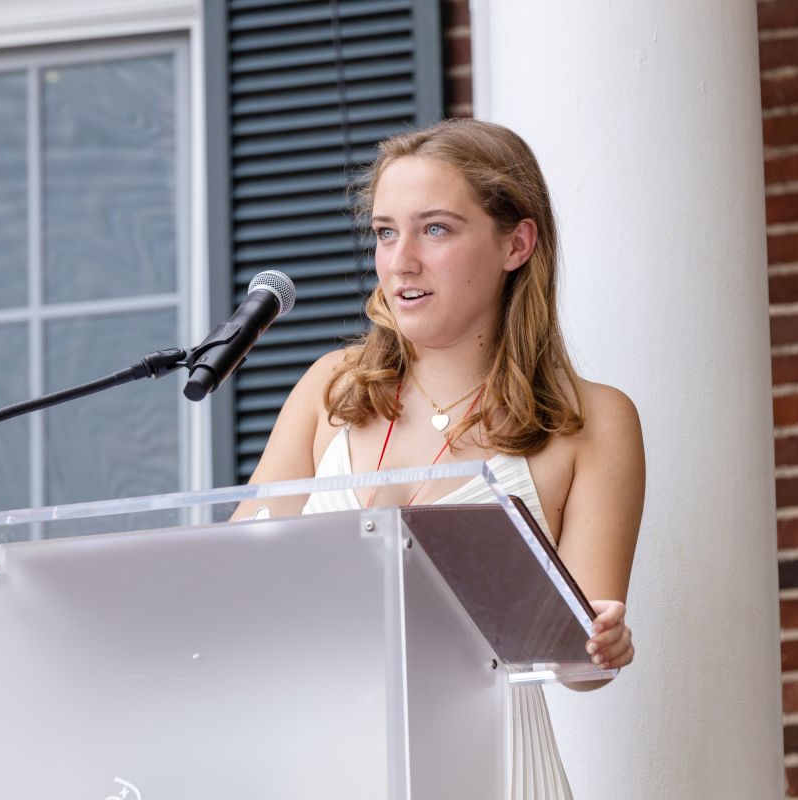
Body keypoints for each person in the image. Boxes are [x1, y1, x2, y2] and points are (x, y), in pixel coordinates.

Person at [237, 117, 645, 799]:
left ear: (516, 243)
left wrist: (603, 645)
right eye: (385, 231)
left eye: (436, 229)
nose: (401, 261)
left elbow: (579, 662)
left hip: (496, 770)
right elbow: (234, 573)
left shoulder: (597, 420)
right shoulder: (329, 389)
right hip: (322, 764)